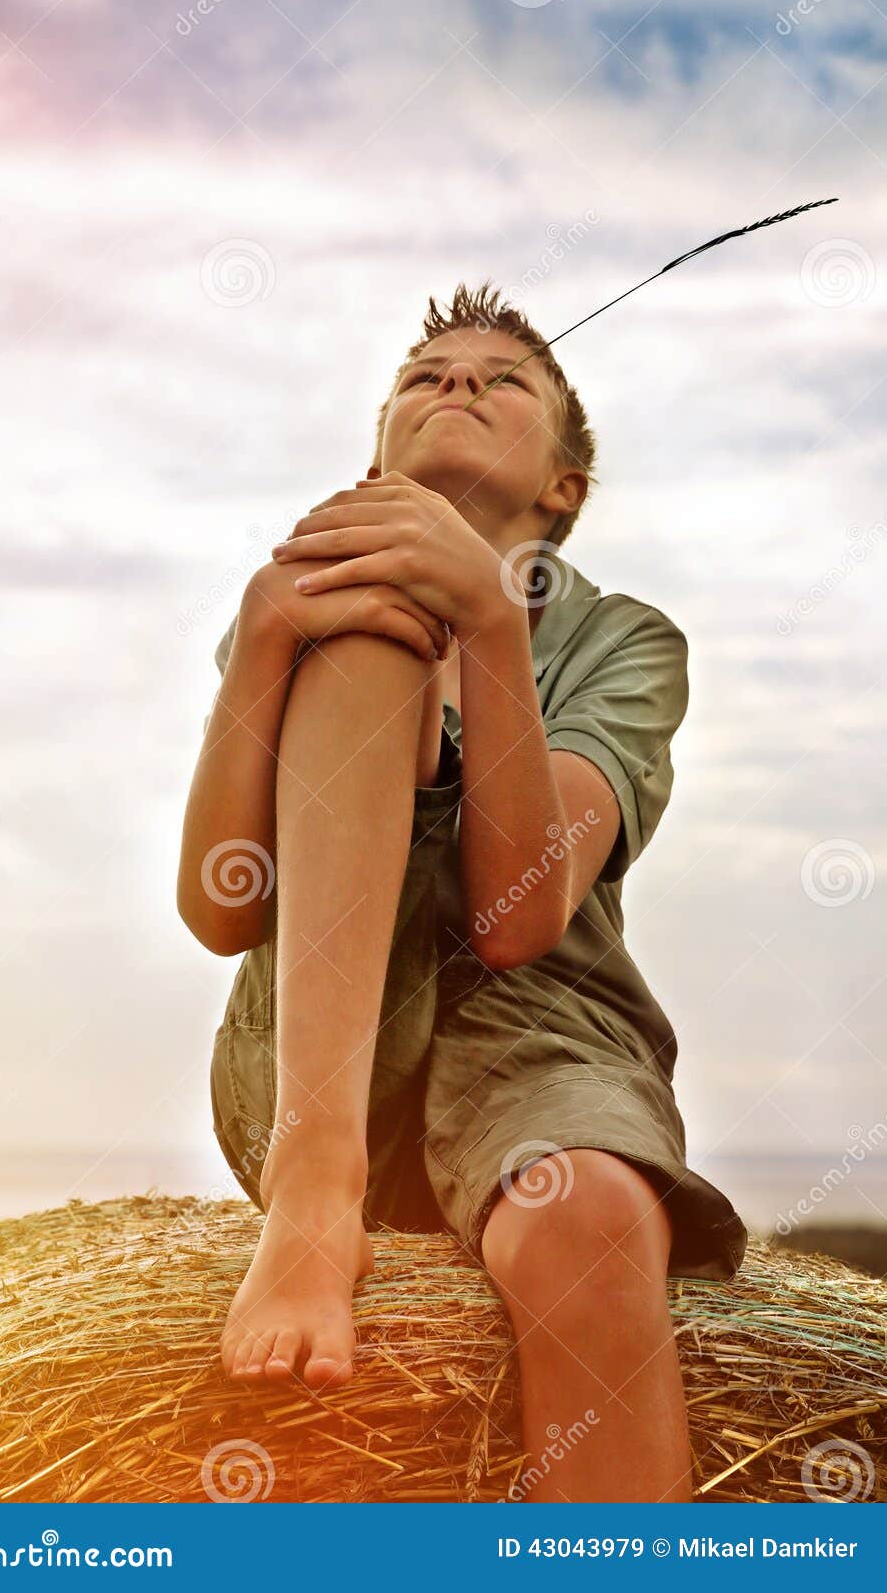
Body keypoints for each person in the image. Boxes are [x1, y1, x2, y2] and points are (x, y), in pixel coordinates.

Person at [177, 282, 748, 1502]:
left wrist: (487, 620)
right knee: (365, 635)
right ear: (376, 451)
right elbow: (221, 908)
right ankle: (312, 1190)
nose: (457, 385)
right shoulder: (305, 598)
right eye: (424, 375)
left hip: (542, 1038)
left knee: (587, 1218)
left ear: (563, 489)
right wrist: (265, 634)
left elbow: (515, 915)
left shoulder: (622, 640)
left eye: (503, 380)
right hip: (314, 1057)